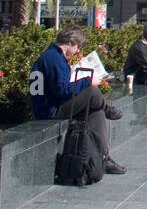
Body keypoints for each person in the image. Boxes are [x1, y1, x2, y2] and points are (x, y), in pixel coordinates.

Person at [30, 28, 125, 175]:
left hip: (50, 105)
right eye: (78, 46)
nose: (77, 50)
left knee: (96, 113)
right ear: (70, 42)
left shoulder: (52, 56)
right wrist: (87, 81)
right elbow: (62, 90)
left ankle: (103, 158)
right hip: (49, 110)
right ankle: (108, 109)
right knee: (92, 92)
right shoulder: (54, 59)